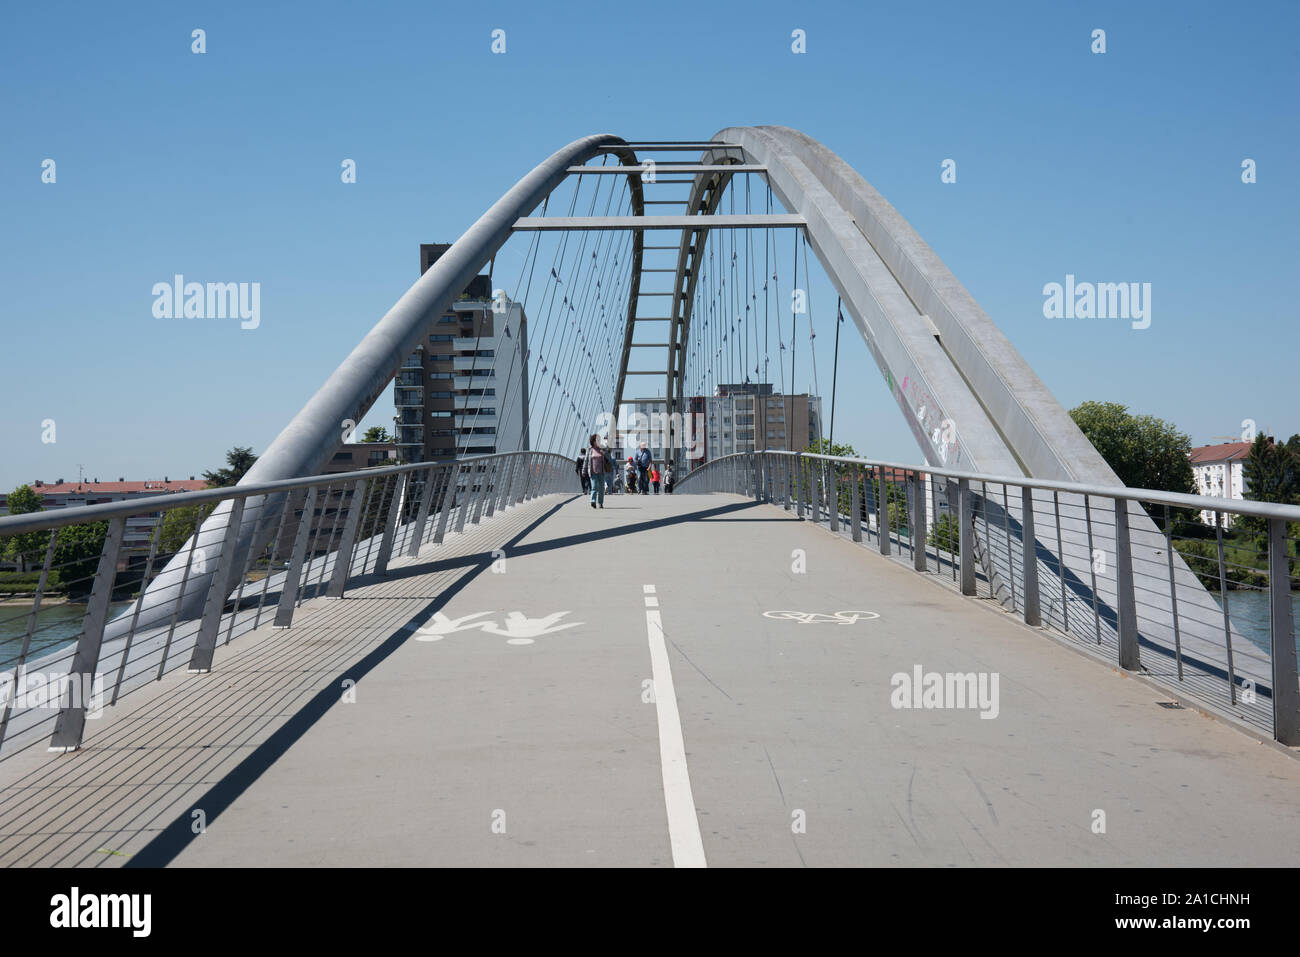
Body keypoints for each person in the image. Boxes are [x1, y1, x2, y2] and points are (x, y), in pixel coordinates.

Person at [584, 433, 606, 509]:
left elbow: (608, 459)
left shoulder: (602, 449)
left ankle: (600, 503)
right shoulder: (590, 450)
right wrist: (584, 470)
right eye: (596, 440)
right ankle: (593, 501)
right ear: (593, 441)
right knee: (594, 487)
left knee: (601, 488)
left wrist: (604, 454)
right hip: (593, 472)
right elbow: (586, 460)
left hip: (601, 472)